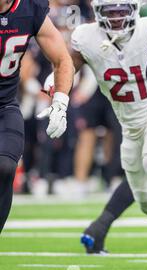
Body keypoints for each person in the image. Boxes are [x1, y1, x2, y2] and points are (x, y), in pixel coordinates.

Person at [46, 0, 147, 261]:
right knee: (145, 202)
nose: (118, 18)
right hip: (130, 127)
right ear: (98, 13)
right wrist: (55, 85)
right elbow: (69, 65)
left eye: (123, 10)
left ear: (135, 9)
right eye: (111, 12)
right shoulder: (85, 37)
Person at [0, 0, 73, 233]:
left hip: (4, 105)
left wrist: (60, 102)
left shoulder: (29, 8)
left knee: (5, 166)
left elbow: (62, 59)